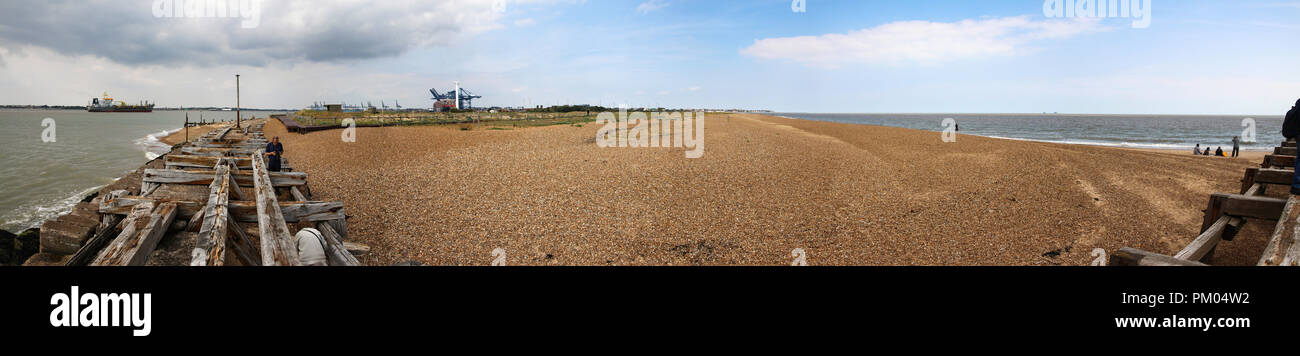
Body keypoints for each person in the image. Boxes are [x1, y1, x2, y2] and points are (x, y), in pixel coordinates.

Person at [1284, 98, 1300, 194]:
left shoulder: (1294, 110)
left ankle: (1296, 185)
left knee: (1299, 159)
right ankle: (1297, 185)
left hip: (1298, 137)